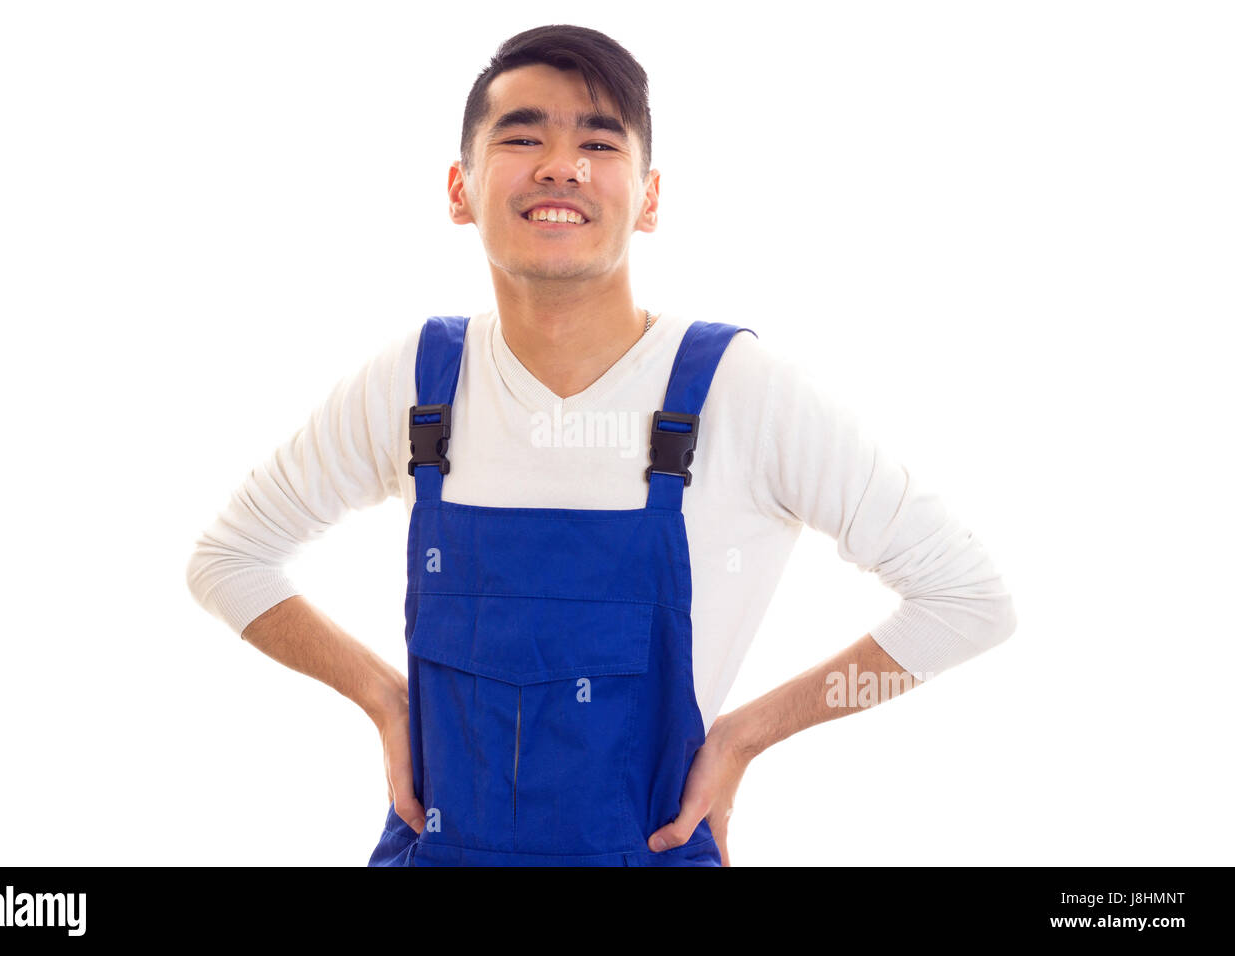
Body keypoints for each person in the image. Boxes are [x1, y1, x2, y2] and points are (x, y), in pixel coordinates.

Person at [185, 24, 1018, 867]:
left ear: (649, 198)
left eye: (597, 142)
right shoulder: (417, 382)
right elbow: (227, 561)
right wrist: (383, 699)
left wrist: (745, 738)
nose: (561, 165)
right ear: (459, 189)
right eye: (521, 136)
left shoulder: (739, 389)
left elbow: (968, 604)